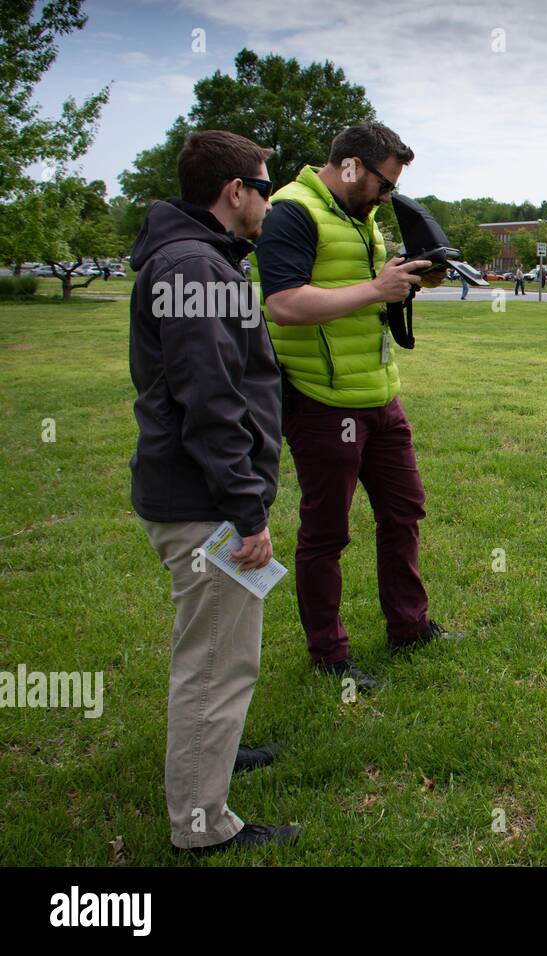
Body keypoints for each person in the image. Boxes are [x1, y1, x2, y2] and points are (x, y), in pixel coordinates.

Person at [130, 130, 298, 853]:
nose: (269, 199)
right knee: (216, 663)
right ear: (235, 192)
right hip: (205, 502)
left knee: (216, 649)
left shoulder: (197, 258)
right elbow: (210, 399)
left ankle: (216, 754)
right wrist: (245, 509)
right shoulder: (196, 267)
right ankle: (201, 826)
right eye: (264, 186)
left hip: (200, 495)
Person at [253, 123, 459, 692]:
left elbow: (362, 289)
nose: (388, 196)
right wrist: (375, 289)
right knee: (327, 532)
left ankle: (408, 626)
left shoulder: (358, 217)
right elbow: (285, 303)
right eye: (383, 183)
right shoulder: (290, 212)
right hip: (322, 401)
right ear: (349, 165)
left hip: (379, 395)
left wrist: (410, 280)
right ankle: (329, 653)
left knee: (405, 512)